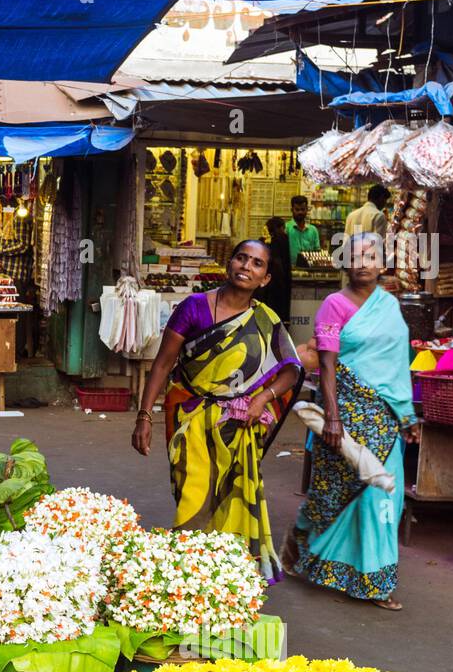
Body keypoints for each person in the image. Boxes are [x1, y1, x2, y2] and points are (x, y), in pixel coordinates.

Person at [131, 239, 302, 584]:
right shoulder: (193, 307)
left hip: (237, 424)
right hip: (188, 415)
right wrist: (144, 415)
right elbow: (163, 364)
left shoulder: (266, 321)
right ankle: (188, 571)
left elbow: (291, 370)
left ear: (265, 279)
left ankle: (222, 575)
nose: (246, 267)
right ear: (229, 263)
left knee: (230, 494)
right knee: (192, 490)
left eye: (257, 264)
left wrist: (261, 399)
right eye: (241, 258)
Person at [283, 233, 420, 610]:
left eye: (370, 256)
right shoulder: (333, 305)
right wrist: (333, 417)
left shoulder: (390, 306)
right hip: (344, 414)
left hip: (386, 420)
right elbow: (326, 363)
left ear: (382, 263)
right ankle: (299, 544)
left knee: (381, 496)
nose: (363, 262)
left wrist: (407, 414)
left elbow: (397, 363)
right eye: (355, 256)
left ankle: (376, 582)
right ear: (344, 263)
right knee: (329, 495)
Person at [256, 215, 292, 323]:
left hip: (264, 284)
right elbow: (286, 262)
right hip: (279, 284)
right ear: (280, 228)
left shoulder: (262, 240)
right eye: (283, 228)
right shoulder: (283, 238)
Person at [285, 195, 320, 265]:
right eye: (297, 209)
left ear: (307, 209)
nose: (300, 212)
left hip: (309, 270)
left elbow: (317, 251)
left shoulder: (313, 230)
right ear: (292, 210)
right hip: (290, 270)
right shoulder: (286, 228)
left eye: (302, 209)